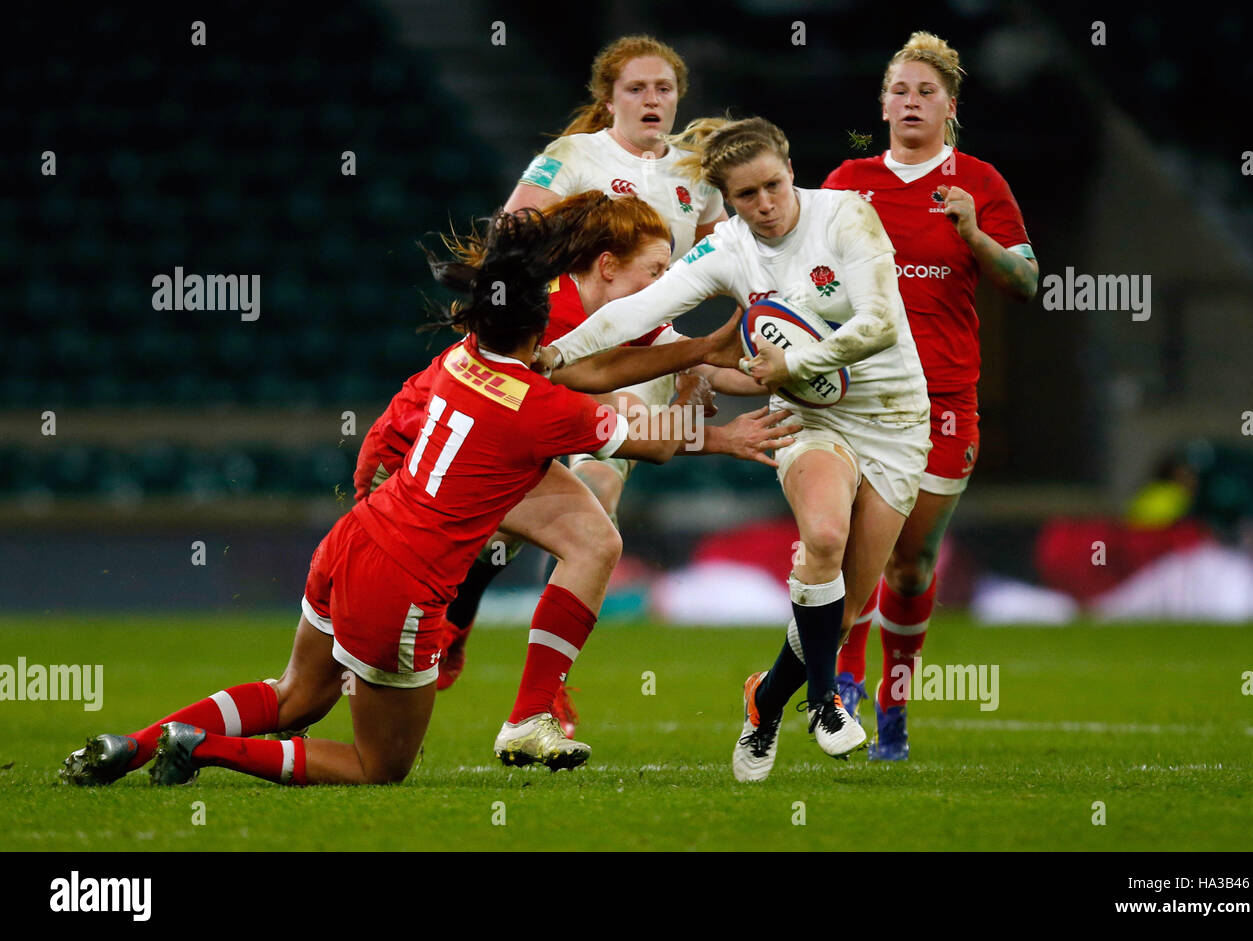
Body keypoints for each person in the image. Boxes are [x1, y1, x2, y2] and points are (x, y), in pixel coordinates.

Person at [56, 206, 751, 787]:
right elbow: (654, 442)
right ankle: (199, 748)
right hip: (404, 587)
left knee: (294, 696)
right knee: (378, 765)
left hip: (351, 539)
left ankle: (136, 743)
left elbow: (402, 425)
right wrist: (719, 425)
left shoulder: (456, 360)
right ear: (543, 331)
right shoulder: (546, 408)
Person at [536, 115, 933, 782]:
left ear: (788, 167)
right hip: (810, 419)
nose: (766, 205)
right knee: (825, 537)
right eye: (746, 196)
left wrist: (798, 364)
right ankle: (825, 700)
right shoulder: (727, 247)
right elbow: (636, 313)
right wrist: (556, 354)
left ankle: (767, 696)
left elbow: (880, 322)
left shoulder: (846, 216)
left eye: (774, 186)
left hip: (895, 418)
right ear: (727, 199)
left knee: (842, 613)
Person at [443, 34, 757, 730]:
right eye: (638, 89)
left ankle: (542, 692)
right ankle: (462, 607)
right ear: (608, 98)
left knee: (594, 505)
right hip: (566, 345)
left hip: (640, 351)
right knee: (533, 523)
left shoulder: (694, 170)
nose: (652, 100)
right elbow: (508, 236)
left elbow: (722, 262)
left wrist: (696, 359)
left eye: (664, 89)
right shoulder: (573, 158)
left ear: (679, 98)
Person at [822, 31, 1037, 759]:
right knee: (851, 539)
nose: (911, 101)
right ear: (882, 104)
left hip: (945, 394)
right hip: (858, 392)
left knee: (908, 560)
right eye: (900, 90)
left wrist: (975, 234)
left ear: (949, 105)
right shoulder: (849, 180)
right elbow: (807, 272)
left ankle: (895, 698)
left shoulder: (979, 180)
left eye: (926, 91)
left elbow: (1027, 279)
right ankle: (843, 687)